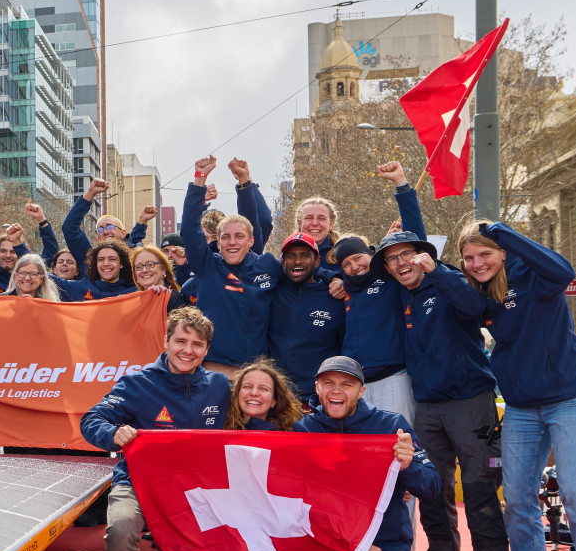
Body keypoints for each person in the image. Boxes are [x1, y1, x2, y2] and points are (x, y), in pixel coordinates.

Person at [456, 220, 576, 551]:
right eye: (469, 258)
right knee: (516, 499)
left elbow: (565, 270)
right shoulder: (482, 293)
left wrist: (501, 231)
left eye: (485, 254)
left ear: (503, 252)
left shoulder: (536, 277)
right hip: (521, 407)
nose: (477, 264)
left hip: (572, 399)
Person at [251, 356, 440, 551]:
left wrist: (407, 466)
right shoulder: (305, 429)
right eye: (328, 383)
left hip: (379, 543)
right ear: (317, 388)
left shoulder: (391, 425)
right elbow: (298, 497)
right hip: (327, 538)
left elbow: (432, 487)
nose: (336, 391)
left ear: (361, 391)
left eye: (346, 384)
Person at [378, 231, 509, 551]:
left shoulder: (448, 278)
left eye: (407, 254)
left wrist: (436, 269)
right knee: (431, 488)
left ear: (424, 256)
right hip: (427, 404)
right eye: (392, 259)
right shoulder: (400, 293)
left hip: (471, 400)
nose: (401, 263)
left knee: (480, 488)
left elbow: (474, 309)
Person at [79, 307, 234, 551]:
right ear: (166, 341)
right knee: (121, 526)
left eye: (197, 344)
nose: (188, 351)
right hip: (137, 482)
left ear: (207, 349)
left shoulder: (219, 386)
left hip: (189, 493)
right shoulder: (138, 383)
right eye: (181, 341)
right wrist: (112, 433)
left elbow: (254, 414)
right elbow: (91, 419)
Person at [184, 357, 307, 551]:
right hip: (226, 533)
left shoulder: (292, 438)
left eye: (263, 389)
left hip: (271, 532)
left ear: (274, 400)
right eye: (247, 387)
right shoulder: (215, 432)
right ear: (236, 393)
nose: (254, 393)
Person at [327, 162, 429, 423]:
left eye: (358, 258)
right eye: (346, 264)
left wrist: (402, 186)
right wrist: (336, 278)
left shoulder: (391, 280)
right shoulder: (345, 291)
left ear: (371, 255)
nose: (354, 267)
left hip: (394, 379)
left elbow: (416, 239)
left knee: (399, 442)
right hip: (356, 385)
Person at [181, 155, 281, 378]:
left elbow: (303, 274)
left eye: (239, 236)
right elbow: (189, 230)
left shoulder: (268, 266)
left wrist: (333, 280)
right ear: (218, 242)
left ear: (251, 241)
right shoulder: (207, 266)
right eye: (225, 237)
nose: (232, 242)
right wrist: (199, 179)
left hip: (255, 374)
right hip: (213, 373)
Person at [268, 232, 345, 405]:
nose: (297, 261)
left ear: (317, 261)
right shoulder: (273, 290)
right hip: (275, 396)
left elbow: (344, 345)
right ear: (283, 262)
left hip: (315, 399)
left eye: (304, 255)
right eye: (291, 256)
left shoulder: (335, 296)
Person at [129, 244, 191, 311]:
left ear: (163, 269)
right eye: (138, 267)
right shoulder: (132, 302)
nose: (144, 270)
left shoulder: (173, 298)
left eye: (150, 264)